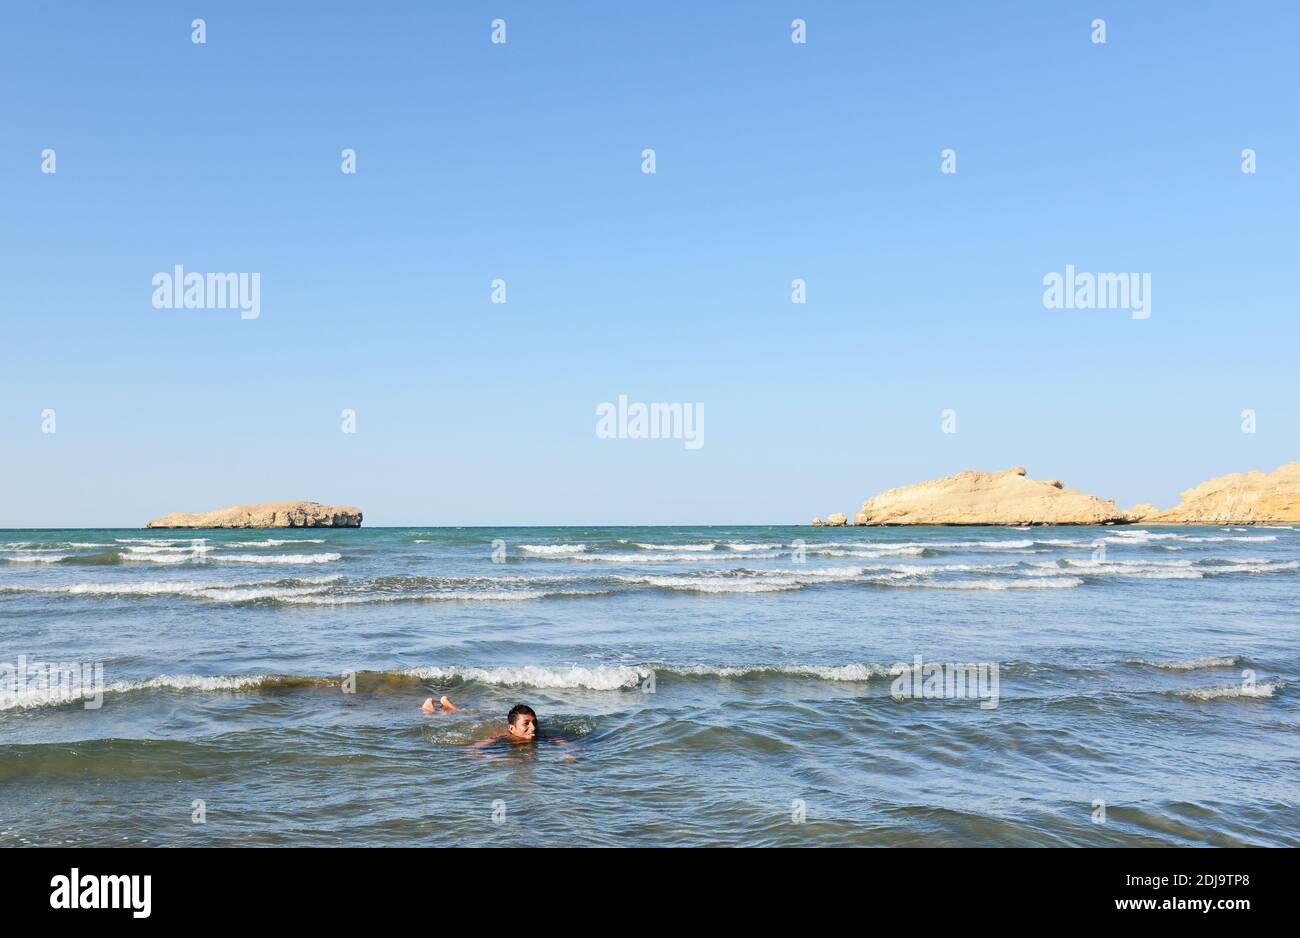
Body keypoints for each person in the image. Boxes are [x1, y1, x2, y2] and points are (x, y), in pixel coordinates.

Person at [420, 696, 570, 749]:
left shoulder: (537, 735)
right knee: (464, 717)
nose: (533, 727)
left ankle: (447, 704)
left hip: (497, 720)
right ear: (512, 728)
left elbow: (567, 744)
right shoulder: (502, 739)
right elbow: (472, 749)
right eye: (526, 723)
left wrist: (569, 753)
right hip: (487, 724)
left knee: (466, 714)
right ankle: (430, 709)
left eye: (534, 722)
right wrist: (492, 757)